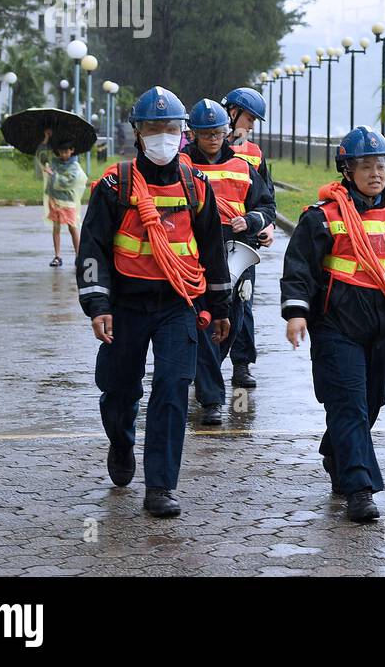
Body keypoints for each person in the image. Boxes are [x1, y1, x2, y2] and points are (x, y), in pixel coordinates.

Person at [76, 86, 232, 518]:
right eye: (152, 128)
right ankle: (121, 440)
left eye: (170, 129)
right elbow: (92, 249)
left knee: (172, 389)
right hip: (125, 304)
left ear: (183, 133)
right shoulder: (114, 183)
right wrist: (98, 305)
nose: (162, 136)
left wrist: (219, 308)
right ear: (138, 133)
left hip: (178, 304)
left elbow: (212, 250)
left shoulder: (195, 184)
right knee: (118, 389)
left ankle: (160, 486)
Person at [280, 126, 385, 522]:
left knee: (371, 403)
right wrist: (297, 312)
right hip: (336, 326)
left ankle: (336, 451)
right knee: (349, 404)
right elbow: (298, 268)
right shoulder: (321, 217)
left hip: (383, 325)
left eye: (381, 165)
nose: (376, 173)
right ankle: (360, 490)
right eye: (366, 165)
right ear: (347, 170)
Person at [182, 98, 276, 426]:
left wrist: (250, 221)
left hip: (238, 250)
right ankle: (211, 398)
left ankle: (210, 370)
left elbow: (266, 206)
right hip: (194, 254)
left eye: (218, 132)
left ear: (225, 132)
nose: (212, 138)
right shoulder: (179, 166)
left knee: (235, 318)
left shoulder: (242, 166)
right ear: (193, 134)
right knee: (203, 322)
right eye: (205, 133)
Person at [220, 87, 276, 390]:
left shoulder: (254, 153)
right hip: (208, 244)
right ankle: (205, 364)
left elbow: (267, 198)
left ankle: (241, 366)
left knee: (243, 303)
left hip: (244, 242)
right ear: (232, 113)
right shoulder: (194, 146)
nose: (251, 125)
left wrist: (266, 226)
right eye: (250, 118)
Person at [36, 129, 87, 267]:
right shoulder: (55, 163)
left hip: (68, 201)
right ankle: (57, 256)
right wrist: (46, 138)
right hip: (54, 200)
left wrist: (53, 175)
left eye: (66, 151)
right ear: (58, 151)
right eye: (61, 151)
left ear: (72, 151)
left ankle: (78, 255)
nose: (64, 154)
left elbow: (69, 182)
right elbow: (42, 157)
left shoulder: (74, 167)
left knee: (72, 227)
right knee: (56, 227)